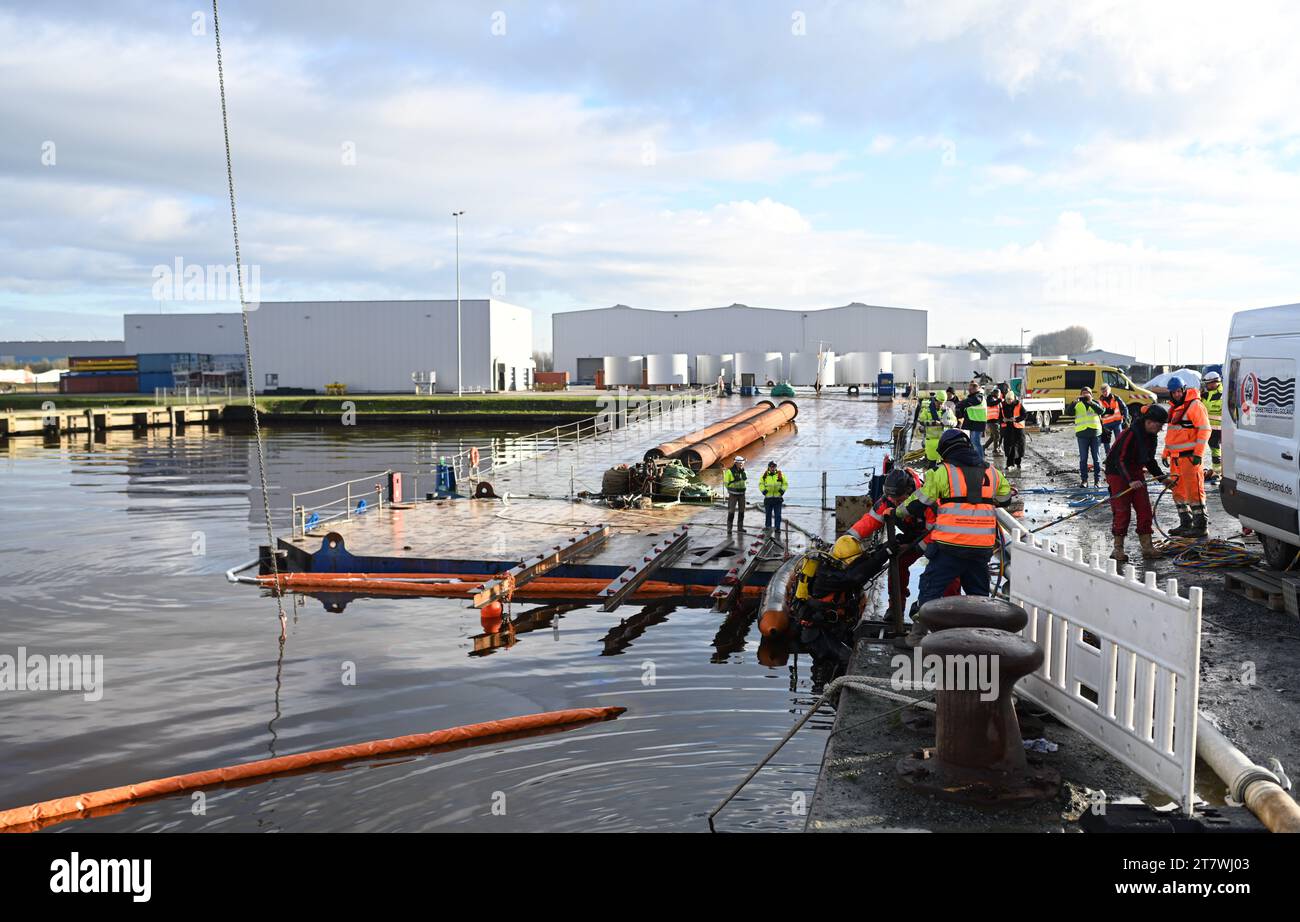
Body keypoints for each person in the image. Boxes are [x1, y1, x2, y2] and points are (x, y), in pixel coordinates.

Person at [897, 429, 1011, 613]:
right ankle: (981, 635)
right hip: (982, 548)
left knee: (929, 591)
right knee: (980, 598)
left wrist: (897, 512)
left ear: (945, 451)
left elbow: (918, 503)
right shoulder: (992, 472)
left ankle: (920, 635)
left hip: (950, 546)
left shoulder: (941, 472)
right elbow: (1005, 499)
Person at [845, 466, 958, 613]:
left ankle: (952, 611)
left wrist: (915, 548)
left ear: (909, 491)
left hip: (940, 538)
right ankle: (896, 608)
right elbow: (869, 521)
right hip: (914, 534)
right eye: (892, 499)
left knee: (947, 569)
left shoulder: (928, 498)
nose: (895, 503)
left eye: (899, 500)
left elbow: (935, 533)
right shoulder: (889, 500)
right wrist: (847, 538)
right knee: (897, 562)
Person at [1104, 404, 1173, 563]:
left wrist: (1162, 478)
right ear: (1149, 421)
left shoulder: (1151, 436)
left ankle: (1147, 547)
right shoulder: (1130, 434)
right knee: (1122, 511)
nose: (1160, 428)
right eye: (1159, 425)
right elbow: (1120, 460)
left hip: (1135, 473)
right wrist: (1130, 481)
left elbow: (1149, 460)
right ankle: (1118, 549)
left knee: (1144, 509)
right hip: (1117, 473)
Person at [1163, 377, 1212, 538]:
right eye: (1174, 392)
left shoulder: (1194, 405)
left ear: (1183, 390)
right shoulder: (1174, 408)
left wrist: (1198, 454)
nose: (1177, 394)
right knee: (1178, 491)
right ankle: (1186, 523)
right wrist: (1166, 452)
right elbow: (1172, 434)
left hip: (1191, 458)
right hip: (1176, 459)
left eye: (1179, 391)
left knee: (1194, 492)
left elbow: (1205, 430)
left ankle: (1200, 526)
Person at [1071, 386, 1105, 488]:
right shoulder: (1077, 404)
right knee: (1083, 459)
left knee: (1097, 459)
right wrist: (1074, 403)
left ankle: (1097, 481)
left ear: (1091, 395)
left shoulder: (1096, 403)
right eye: (1083, 394)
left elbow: (1101, 411)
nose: (1085, 395)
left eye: (1087, 393)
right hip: (1082, 434)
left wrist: (1091, 402)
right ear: (1081, 394)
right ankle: (1084, 480)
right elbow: (1068, 412)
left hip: (1095, 434)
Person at [913, 390, 956, 468]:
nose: (940, 405)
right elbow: (921, 421)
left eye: (942, 403)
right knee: (932, 467)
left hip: (943, 443)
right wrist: (933, 423)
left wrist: (946, 423)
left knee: (943, 467)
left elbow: (955, 422)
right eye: (938, 403)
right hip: (931, 443)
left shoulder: (947, 411)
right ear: (935, 400)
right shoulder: (927, 411)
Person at [956, 380, 989, 462]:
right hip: (973, 422)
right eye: (969, 388)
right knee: (973, 443)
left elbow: (973, 401)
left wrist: (960, 403)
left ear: (976, 388)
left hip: (978, 423)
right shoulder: (973, 397)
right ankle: (976, 459)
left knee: (975, 443)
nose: (969, 390)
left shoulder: (979, 396)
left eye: (970, 389)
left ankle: (980, 460)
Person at [1202, 370, 1223, 481]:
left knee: (1219, 450)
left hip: (1222, 429)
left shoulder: (1223, 395)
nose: (1207, 385)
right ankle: (1217, 472)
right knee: (1213, 449)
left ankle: (1218, 473)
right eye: (1206, 384)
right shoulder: (1204, 395)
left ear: (1216, 382)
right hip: (1207, 429)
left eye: (1209, 383)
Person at [1097, 383, 1128, 455]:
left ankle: (1119, 456)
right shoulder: (1099, 401)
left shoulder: (1116, 398)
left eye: (1106, 391)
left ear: (1109, 390)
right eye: (1103, 391)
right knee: (1106, 441)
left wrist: (1125, 418)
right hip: (1106, 424)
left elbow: (1124, 408)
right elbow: (1098, 413)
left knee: (1119, 440)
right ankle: (1108, 456)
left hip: (1117, 422)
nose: (1105, 393)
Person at [1000, 387, 1027, 470]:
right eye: (1007, 400)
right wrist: (1002, 420)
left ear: (1013, 399)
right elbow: (999, 417)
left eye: (1010, 400)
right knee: (1009, 447)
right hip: (1008, 429)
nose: (1009, 402)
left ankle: (1018, 463)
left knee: (1018, 447)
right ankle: (1009, 464)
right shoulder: (1003, 406)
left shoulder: (1018, 405)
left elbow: (1025, 415)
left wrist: (1016, 419)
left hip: (1018, 430)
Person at [759, 460, 787, 534]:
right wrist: (763, 491)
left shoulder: (780, 475)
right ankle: (768, 526)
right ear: (768, 467)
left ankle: (777, 528)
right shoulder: (764, 476)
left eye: (774, 467)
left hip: (777, 499)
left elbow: (785, 484)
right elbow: (761, 484)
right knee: (768, 513)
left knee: (778, 514)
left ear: (775, 467)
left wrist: (782, 491)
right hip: (768, 498)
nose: (772, 468)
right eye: (771, 467)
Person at [723, 455, 748, 532]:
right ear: (736, 463)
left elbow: (745, 482)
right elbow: (726, 483)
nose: (741, 464)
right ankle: (729, 528)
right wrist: (731, 488)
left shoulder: (744, 471)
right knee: (731, 511)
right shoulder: (729, 472)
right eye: (739, 463)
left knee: (742, 511)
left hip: (742, 494)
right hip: (733, 494)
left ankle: (740, 527)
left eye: (742, 463)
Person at [985, 384, 1004, 456]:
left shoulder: (996, 400)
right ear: (995, 393)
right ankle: (995, 450)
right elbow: (990, 404)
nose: (999, 395)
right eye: (998, 394)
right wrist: (999, 400)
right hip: (991, 420)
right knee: (997, 435)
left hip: (995, 420)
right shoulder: (990, 398)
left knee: (993, 437)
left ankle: (983, 447)